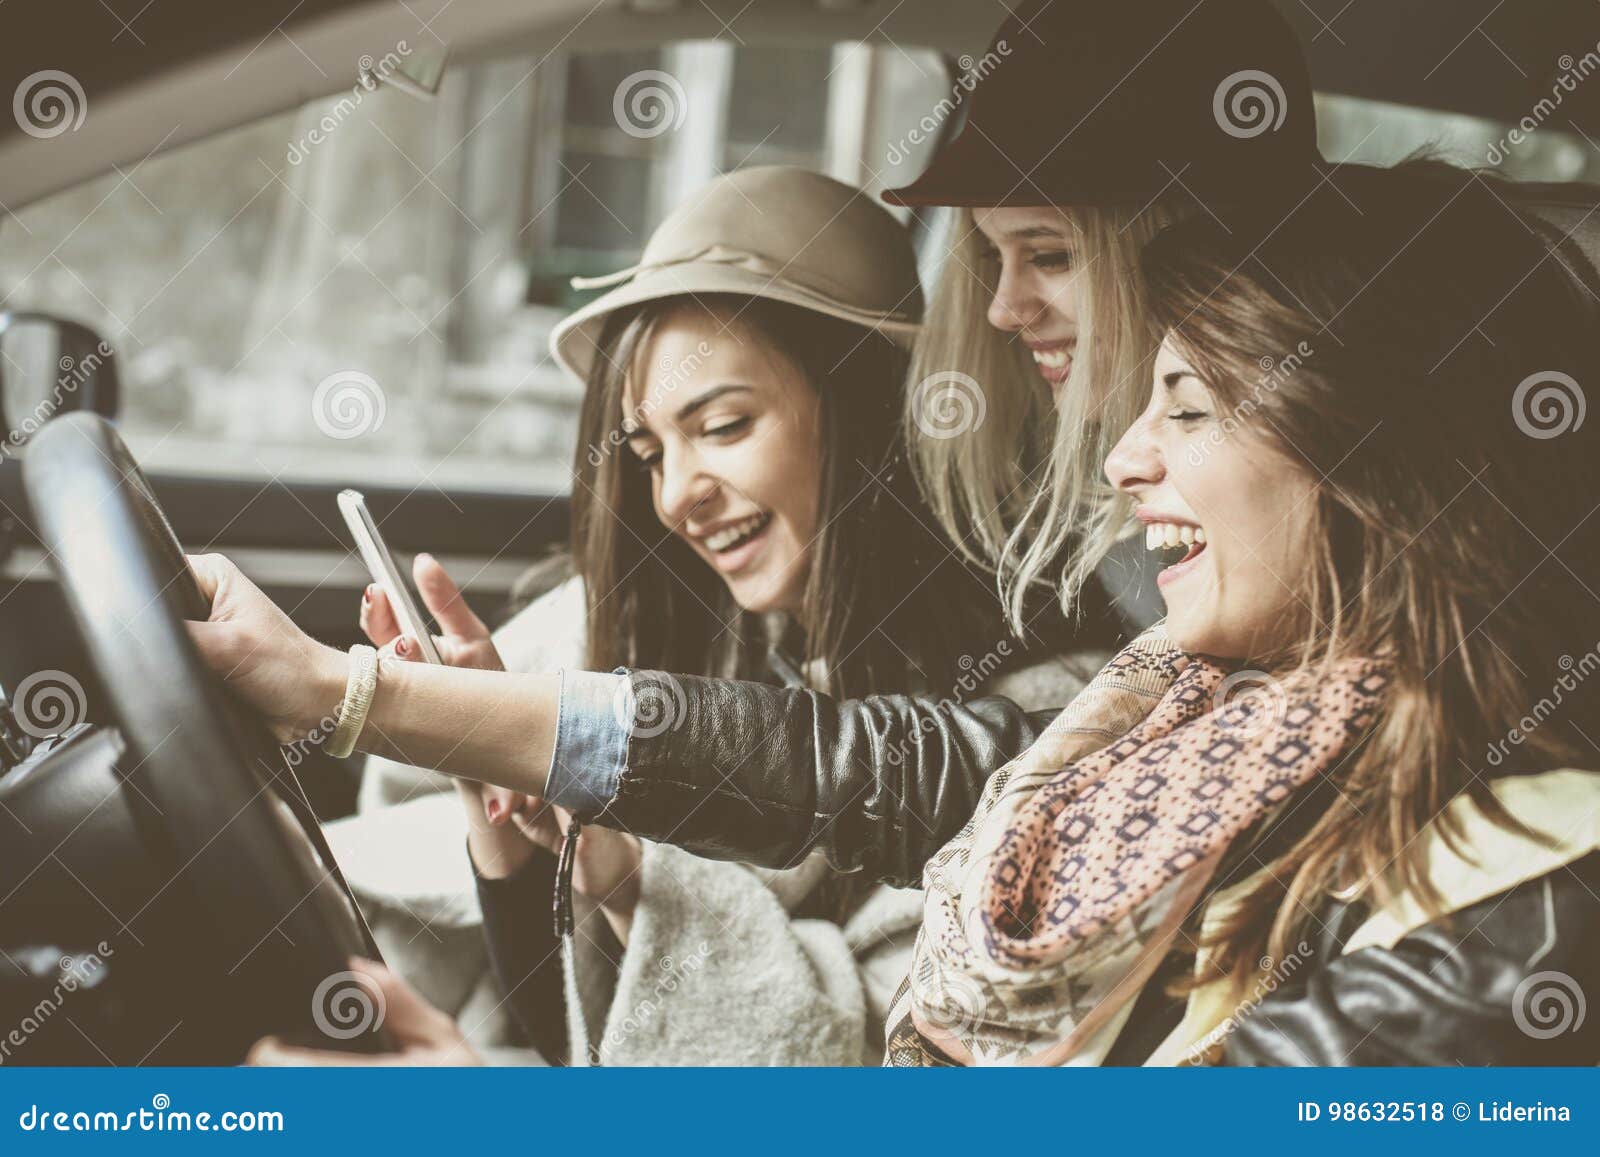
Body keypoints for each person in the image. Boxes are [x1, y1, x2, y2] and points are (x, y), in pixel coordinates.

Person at [207, 160, 1600, 1067]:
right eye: (647, 450)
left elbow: (868, 769)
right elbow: (853, 768)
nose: (1122, 459)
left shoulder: (1518, 911)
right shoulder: (1211, 738)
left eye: (1185, 407)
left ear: (1373, 451)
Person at [331, 166, 1096, 1066]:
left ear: (872, 414)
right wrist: (492, 800)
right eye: (651, 453)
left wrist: (633, 881)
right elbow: (571, 1030)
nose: (676, 498)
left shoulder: (1022, 724)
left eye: (726, 427)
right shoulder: (657, 626)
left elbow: (881, 1059)